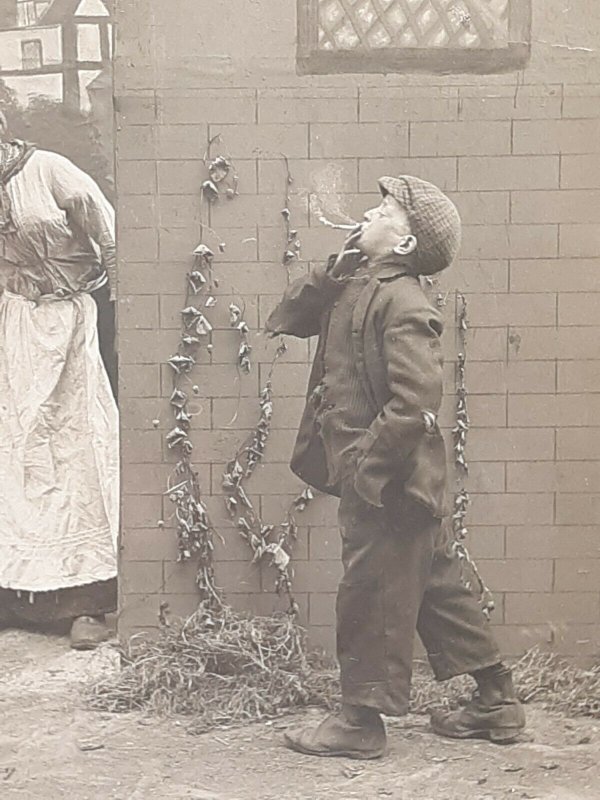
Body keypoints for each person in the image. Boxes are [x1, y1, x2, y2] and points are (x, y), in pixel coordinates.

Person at [265, 175, 525, 759]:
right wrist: (339, 263)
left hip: (389, 478)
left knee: (371, 591)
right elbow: (293, 315)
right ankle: (497, 700)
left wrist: (365, 468)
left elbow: (415, 402)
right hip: (400, 478)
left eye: (384, 210)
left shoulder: (403, 300)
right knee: (433, 582)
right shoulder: (356, 280)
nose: (367, 211)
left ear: (405, 246)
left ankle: (360, 722)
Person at [0, 110, 118, 650]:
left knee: (74, 449)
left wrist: (125, 304)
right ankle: (16, 597)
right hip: (14, 323)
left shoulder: (48, 172)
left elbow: (108, 235)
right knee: (18, 452)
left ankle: (87, 601)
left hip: (67, 322)